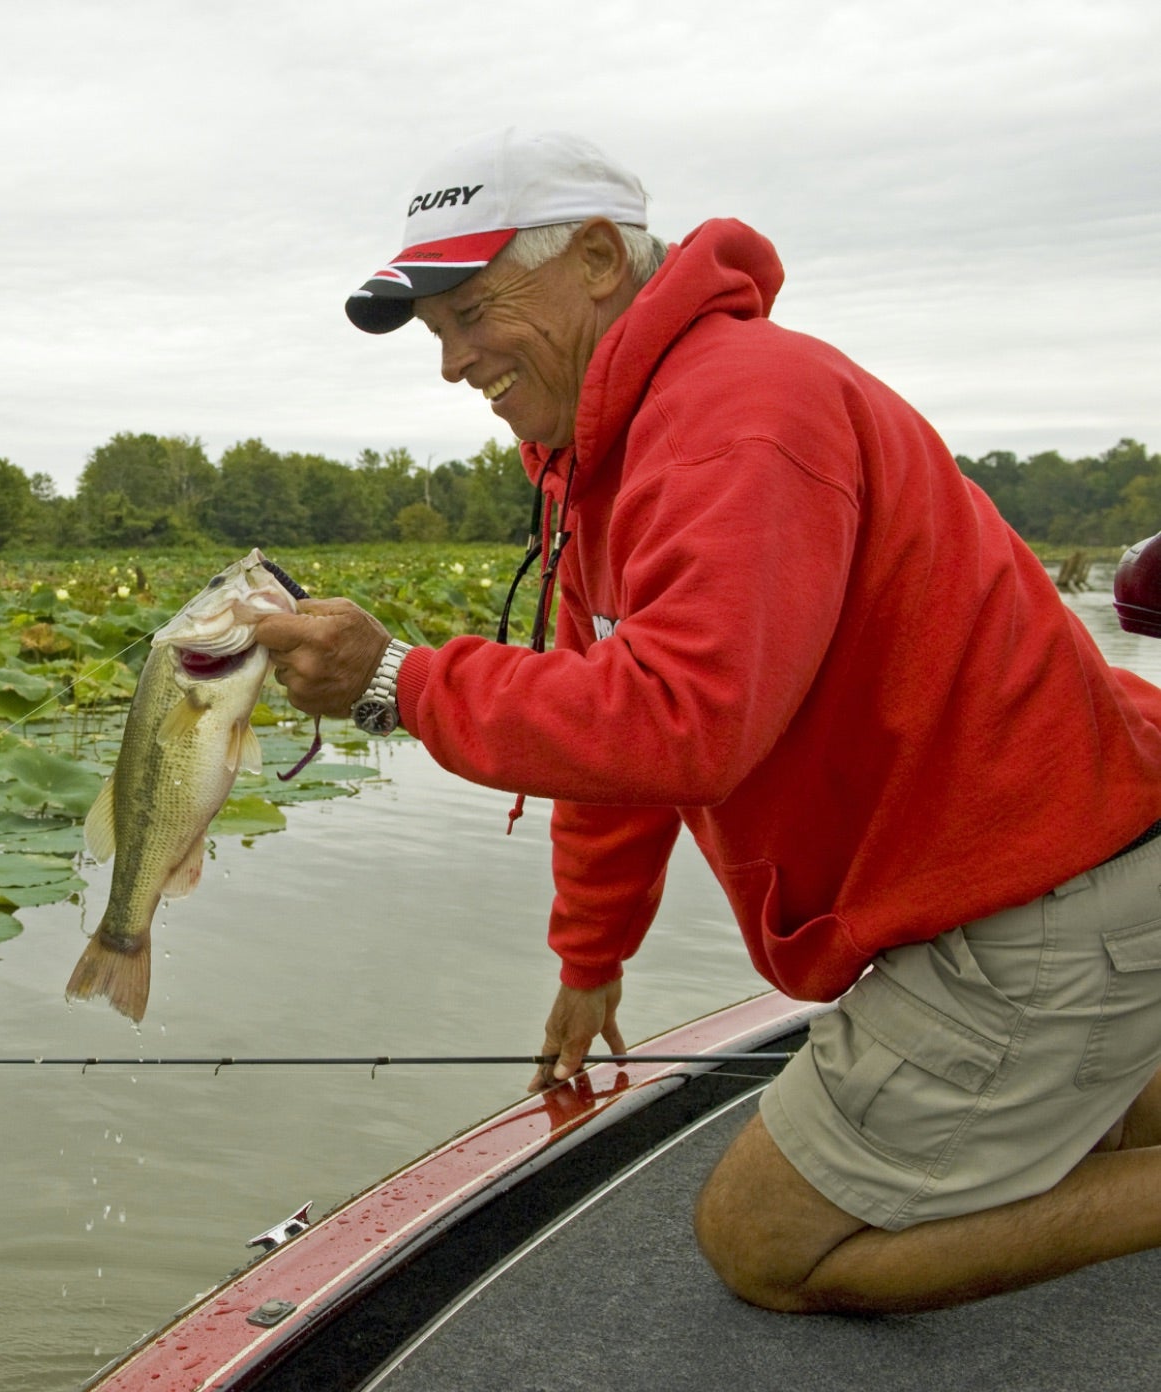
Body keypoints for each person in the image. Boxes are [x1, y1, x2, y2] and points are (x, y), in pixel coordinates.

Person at [251, 126, 1161, 1315]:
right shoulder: (605, 455)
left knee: (765, 1241)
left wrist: (397, 678)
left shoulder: (736, 410)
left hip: (1044, 897)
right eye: (436, 332)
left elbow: (684, 723)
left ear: (593, 258)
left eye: (472, 313)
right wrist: (592, 957)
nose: (453, 362)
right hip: (1065, 871)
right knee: (1071, 1132)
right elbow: (618, 742)